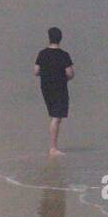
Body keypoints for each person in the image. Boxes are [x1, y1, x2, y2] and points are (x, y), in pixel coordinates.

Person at [34, 27, 74, 155]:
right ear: (60, 38)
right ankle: (53, 148)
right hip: (60, 88)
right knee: (56, 117)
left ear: (49, 38)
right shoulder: (64, 55)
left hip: (45, 88)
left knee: (54, 116)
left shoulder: (42, 54)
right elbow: (70, 73)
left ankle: (53, 147)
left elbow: (36, 71)